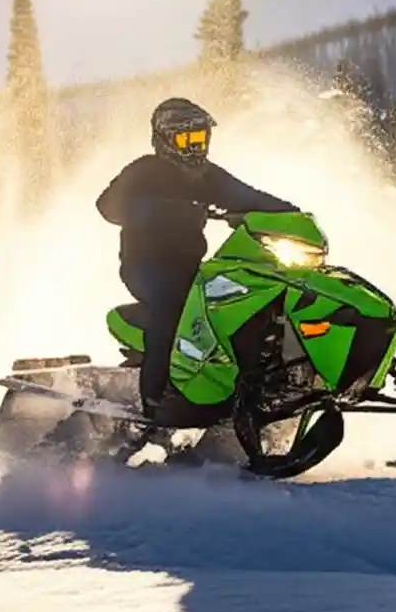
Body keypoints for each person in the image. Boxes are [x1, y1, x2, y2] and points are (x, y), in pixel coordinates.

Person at [96, 97, 297, 418]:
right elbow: (107, 205)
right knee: (172, 303)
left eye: (199, 138)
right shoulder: (145, 171)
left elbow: (246, 195)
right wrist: (164, 209)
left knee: (243, 296)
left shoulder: (207, 176)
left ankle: (244, 383)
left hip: (191, 266)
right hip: (147, 266)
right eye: (185, 139)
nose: (193, 147)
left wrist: (290, 214)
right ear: (164, 139)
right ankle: (155, 397)